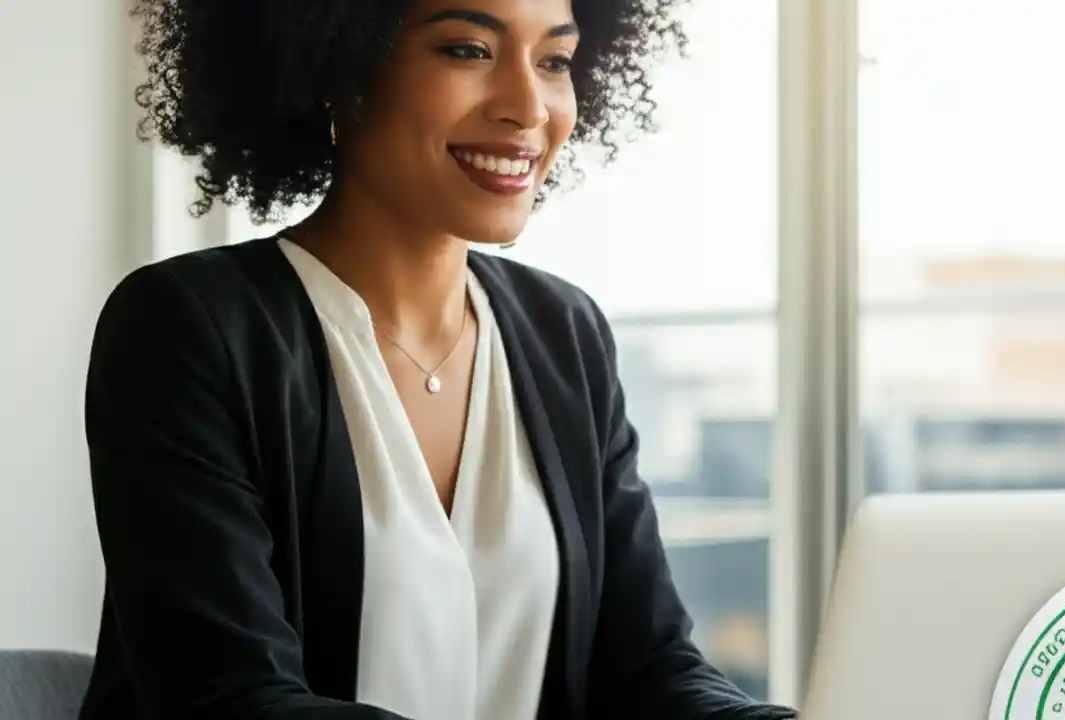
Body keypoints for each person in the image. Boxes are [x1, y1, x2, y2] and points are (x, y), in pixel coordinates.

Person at [79, 0, 799, 718]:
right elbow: (229, 698)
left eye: (554, 61)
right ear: (341, 70)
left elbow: (649, 670)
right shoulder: (190, 327)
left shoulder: (564, 334)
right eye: (468, 50)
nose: (528, 108)